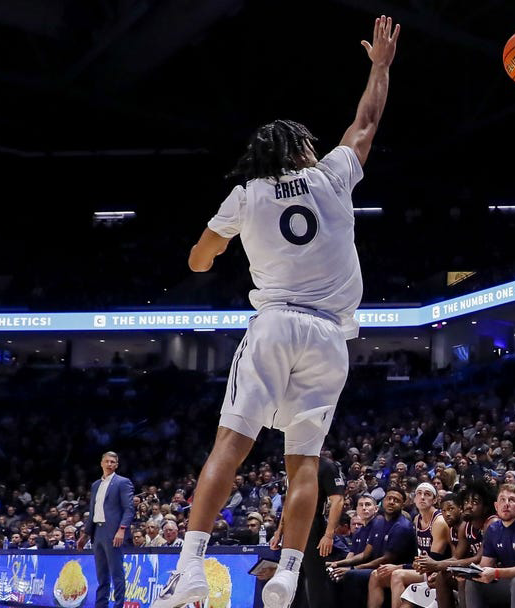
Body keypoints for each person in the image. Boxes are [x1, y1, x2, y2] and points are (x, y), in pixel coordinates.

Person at [153, 15, 400, 608]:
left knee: (229, 449)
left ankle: (191, 566)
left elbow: (197, 261)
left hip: (273, 325)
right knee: (304, 462)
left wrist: (215, 247)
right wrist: (381, 67)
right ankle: (288, 571)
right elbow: (366, 122)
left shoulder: (247, 193)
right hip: (328, 337)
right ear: (301, 148)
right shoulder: (333, 175)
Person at [270, 454, 346, 608]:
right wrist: (279, 531)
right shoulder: (293, 463)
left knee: (314, 580)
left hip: (312, 524)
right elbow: (289, 501)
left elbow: (337, 500)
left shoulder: (326, 466)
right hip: (291, 526)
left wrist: (329, 534)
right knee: (291, 576)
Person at [327, 488, 416, 608]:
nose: (391, 502)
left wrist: (353, 569)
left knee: (351, 576)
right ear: (383, 501)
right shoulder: (379, 522)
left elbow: (387, 559)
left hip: (393, 569)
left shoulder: (402, 526)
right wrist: (338, 563)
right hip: (377, 568)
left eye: (396, 500)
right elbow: (365, 554)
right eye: (389, 498)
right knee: (332, 574)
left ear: (402, 504)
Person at [384, 483, 450, 608]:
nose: (422, 497)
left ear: (435, 500)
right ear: (414, 499)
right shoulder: (416, 519)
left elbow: (434, 561)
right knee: (377, 576)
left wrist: (400, 566)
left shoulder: (439, 521)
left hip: (439, 570)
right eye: (419, 493)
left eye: (427, 494)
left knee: (397, 575)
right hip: (425, 568)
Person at [83, 452, 135, 608]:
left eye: (113, 462)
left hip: (113, 532)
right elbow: (93, 511)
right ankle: (101, 605)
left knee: (117, 574)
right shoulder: (95, 485)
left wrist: (122, 530)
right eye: (107, 461)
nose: (110, 464)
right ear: (101, 463)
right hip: (97, 532)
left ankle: (118, 605)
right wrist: (85, 534)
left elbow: (129, 509)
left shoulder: (123, 482)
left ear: (117, 465)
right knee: (102, 576)